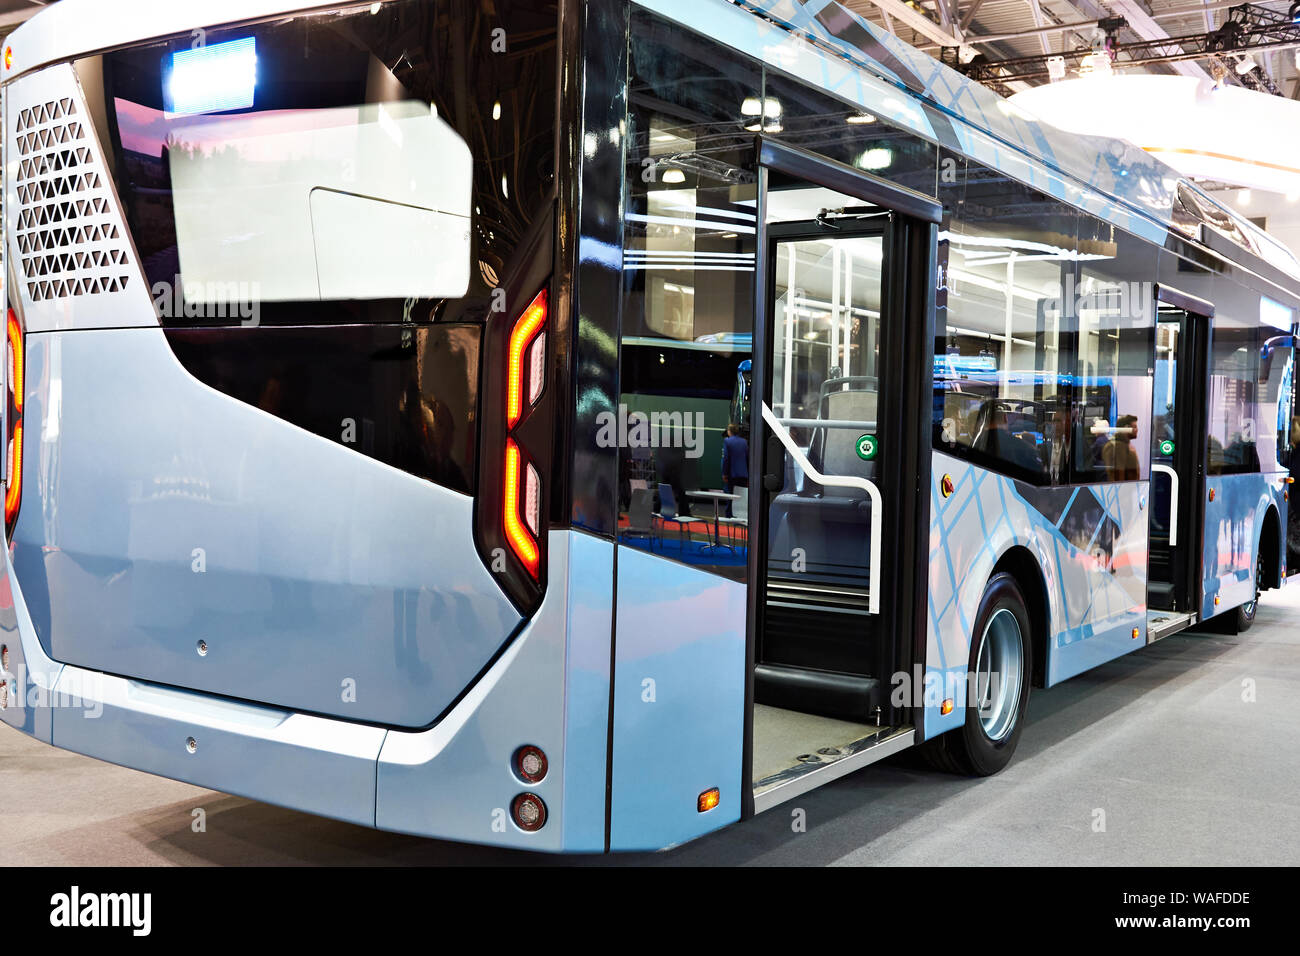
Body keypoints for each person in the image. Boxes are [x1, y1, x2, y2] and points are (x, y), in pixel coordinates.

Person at [721, 423, 749, 517]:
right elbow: (747, 458)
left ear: (729, 431)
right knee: (741, 495)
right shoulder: (744, 442)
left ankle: (729, 515)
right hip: (743, 473)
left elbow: (726, 459)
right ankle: (741, 514)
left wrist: (724, 473)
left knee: (730, 495)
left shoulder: (727, 441)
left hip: (732, 474)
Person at [1102, 414, 1140, 481]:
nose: (1137, 430)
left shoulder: (1125, 445)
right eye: (1134, 427)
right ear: (1126, 428)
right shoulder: (1117, 447)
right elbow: (1118, 478)